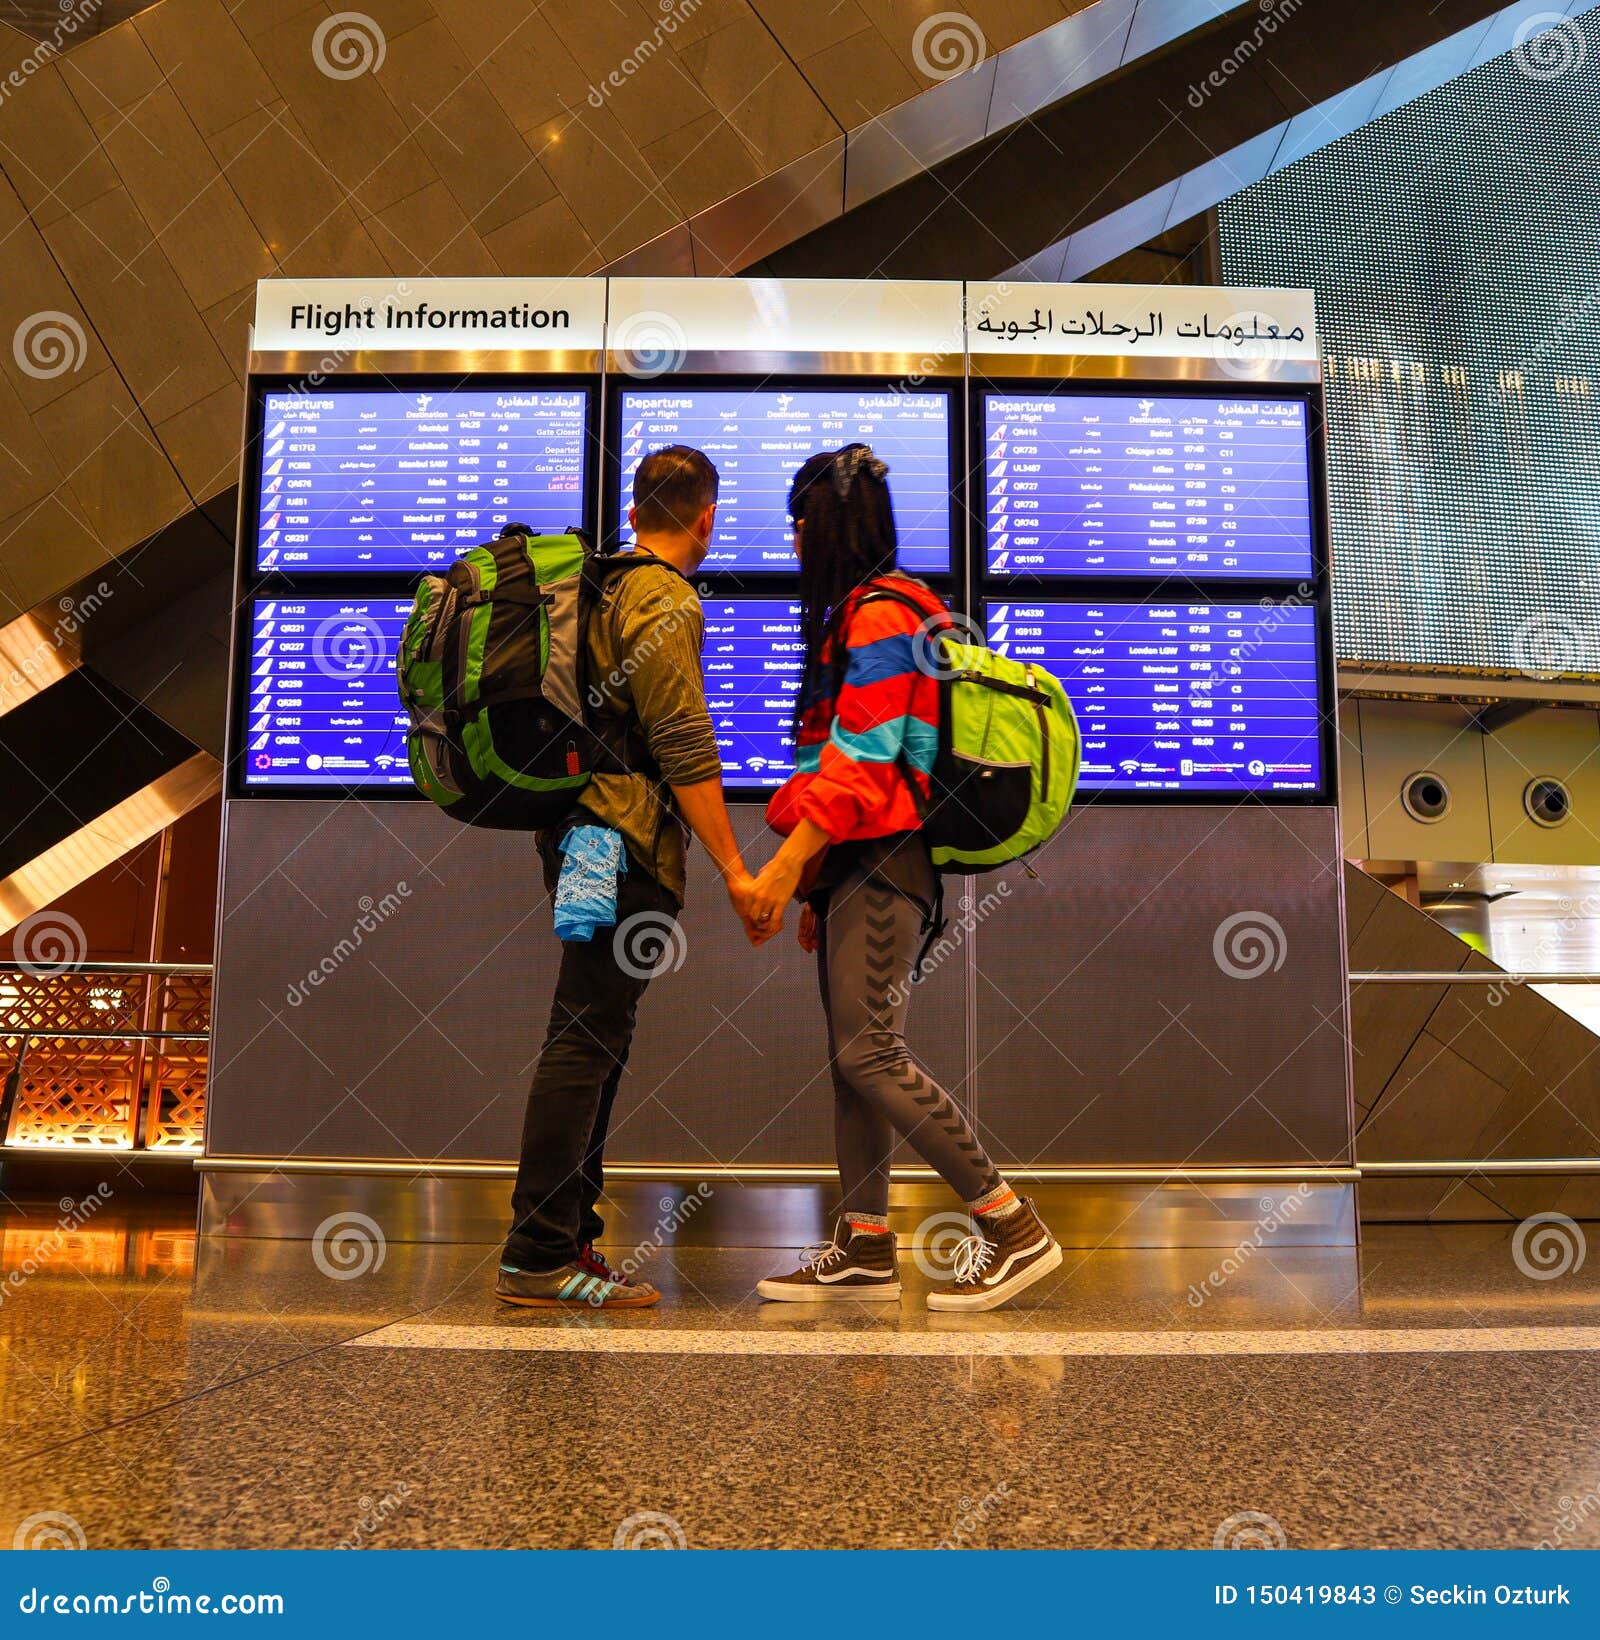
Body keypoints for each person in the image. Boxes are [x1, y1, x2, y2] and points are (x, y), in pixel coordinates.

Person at [747, 444, 1062, 1313]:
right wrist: (815, 884)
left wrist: (780, 869)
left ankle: (1012, 1224)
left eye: (803, 519)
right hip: (855, 865)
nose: (797, 537)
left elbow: (863, 757)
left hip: (883, 864)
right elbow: (843, 764)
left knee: (869, 1050)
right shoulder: (860, 613)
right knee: (852, 1062)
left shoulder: (885, 614)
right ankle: (865, 1245)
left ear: (836, 522)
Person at [497, 445, 757, 1309]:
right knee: (584, 1037)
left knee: (596, 1036)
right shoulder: (663, 596)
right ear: (706, 517)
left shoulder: (602, 583)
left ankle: (566, 1242)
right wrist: (734, 867)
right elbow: (683, 740)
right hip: (621, 841)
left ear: (636, 508)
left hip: (577, 835)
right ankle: (538, 1250)